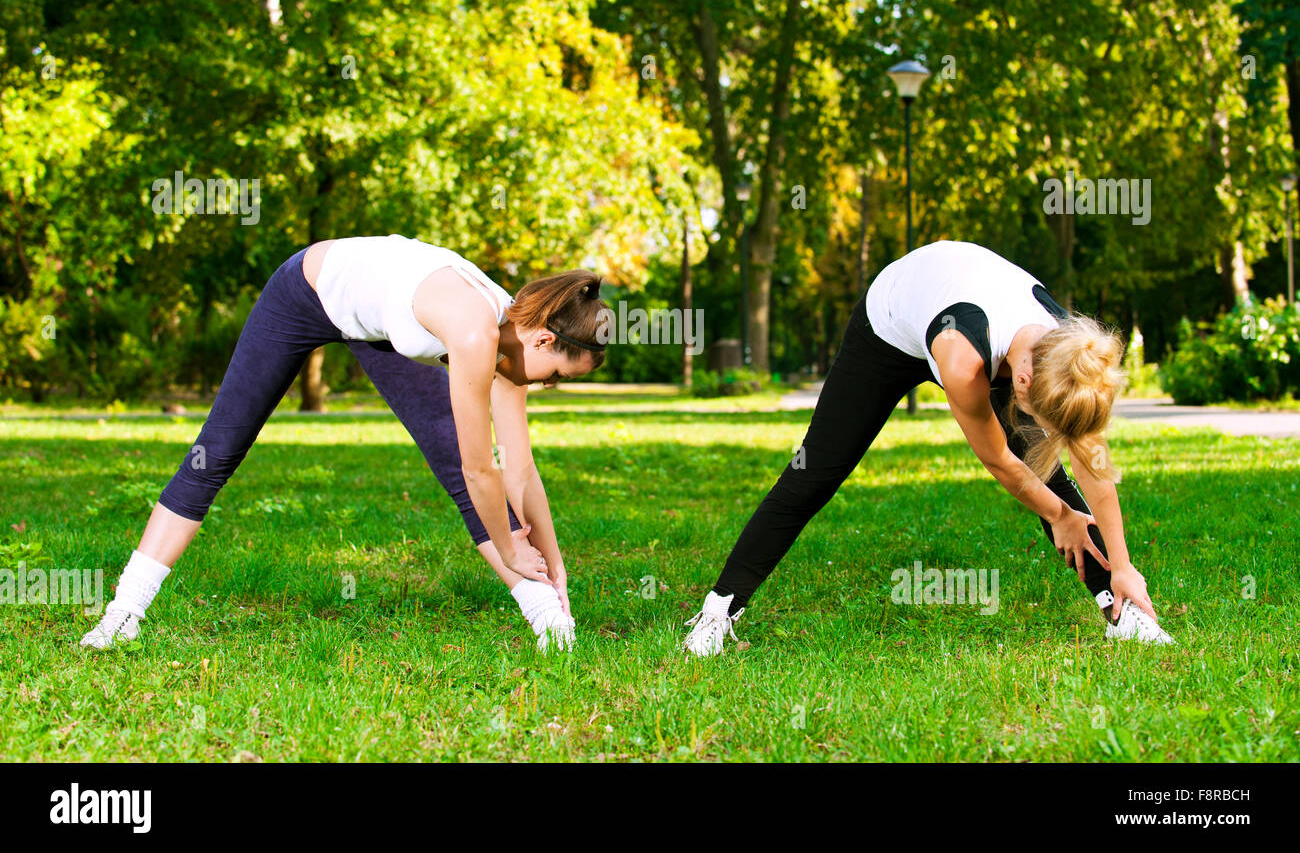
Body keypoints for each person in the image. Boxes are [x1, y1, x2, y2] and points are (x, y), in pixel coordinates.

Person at [81, 234, 607, 652]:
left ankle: (550, 623)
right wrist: (512, 547)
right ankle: (122, 614)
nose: (547, 385)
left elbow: (518, 470)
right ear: (542, 338)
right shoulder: (475, 331)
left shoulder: (512, 339)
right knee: (216, 450)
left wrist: (551, 561)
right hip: (307, 291)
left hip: (376, 323)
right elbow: (481, 472)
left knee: (451, 452)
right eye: (557, 374)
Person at [683, 240, 1173, 656]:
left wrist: (1125, 563)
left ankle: (1125, 610)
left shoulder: (1073, 360)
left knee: (1053, 478)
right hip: (892, 322)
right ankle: (717, 610)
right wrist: (1059, 514)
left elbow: (1094, 464)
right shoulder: (966, 362)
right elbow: (999, 459)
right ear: (1020, 381)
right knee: (814, 471)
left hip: (963, 307)